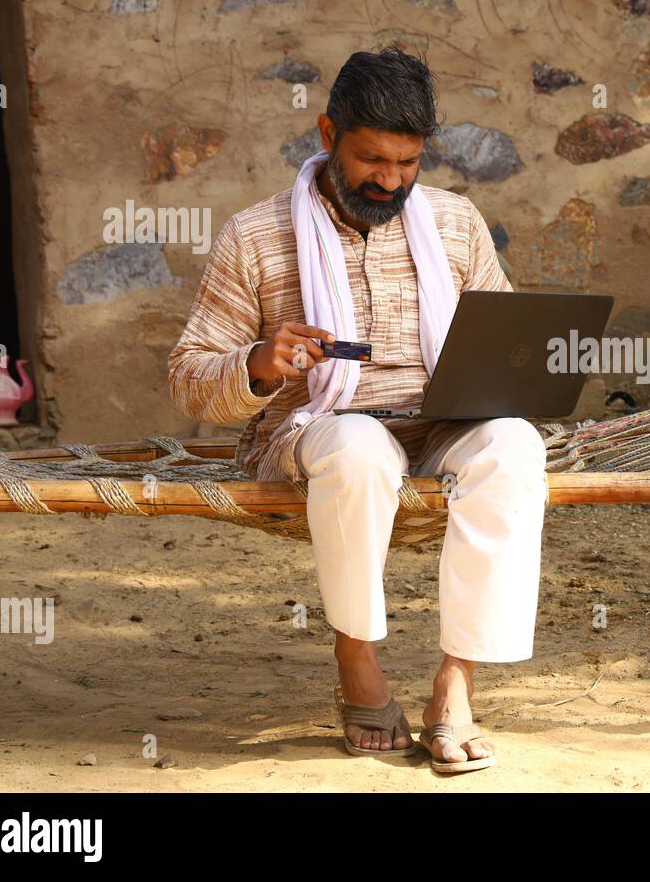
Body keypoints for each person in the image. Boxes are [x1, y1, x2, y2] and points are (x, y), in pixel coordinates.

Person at [167, 47, 547, 773]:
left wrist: (521, 375)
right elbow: (188, 379)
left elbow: (508, 344)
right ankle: (357, 662)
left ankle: (455, 687)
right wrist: (256, 363)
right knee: (359, 447)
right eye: (373, 158)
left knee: (516, 446)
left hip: (444, 423)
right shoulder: (256, 235)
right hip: (317, 430)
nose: (390, 179)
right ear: (326, 134)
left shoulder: (457, 225)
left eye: (408, 163)